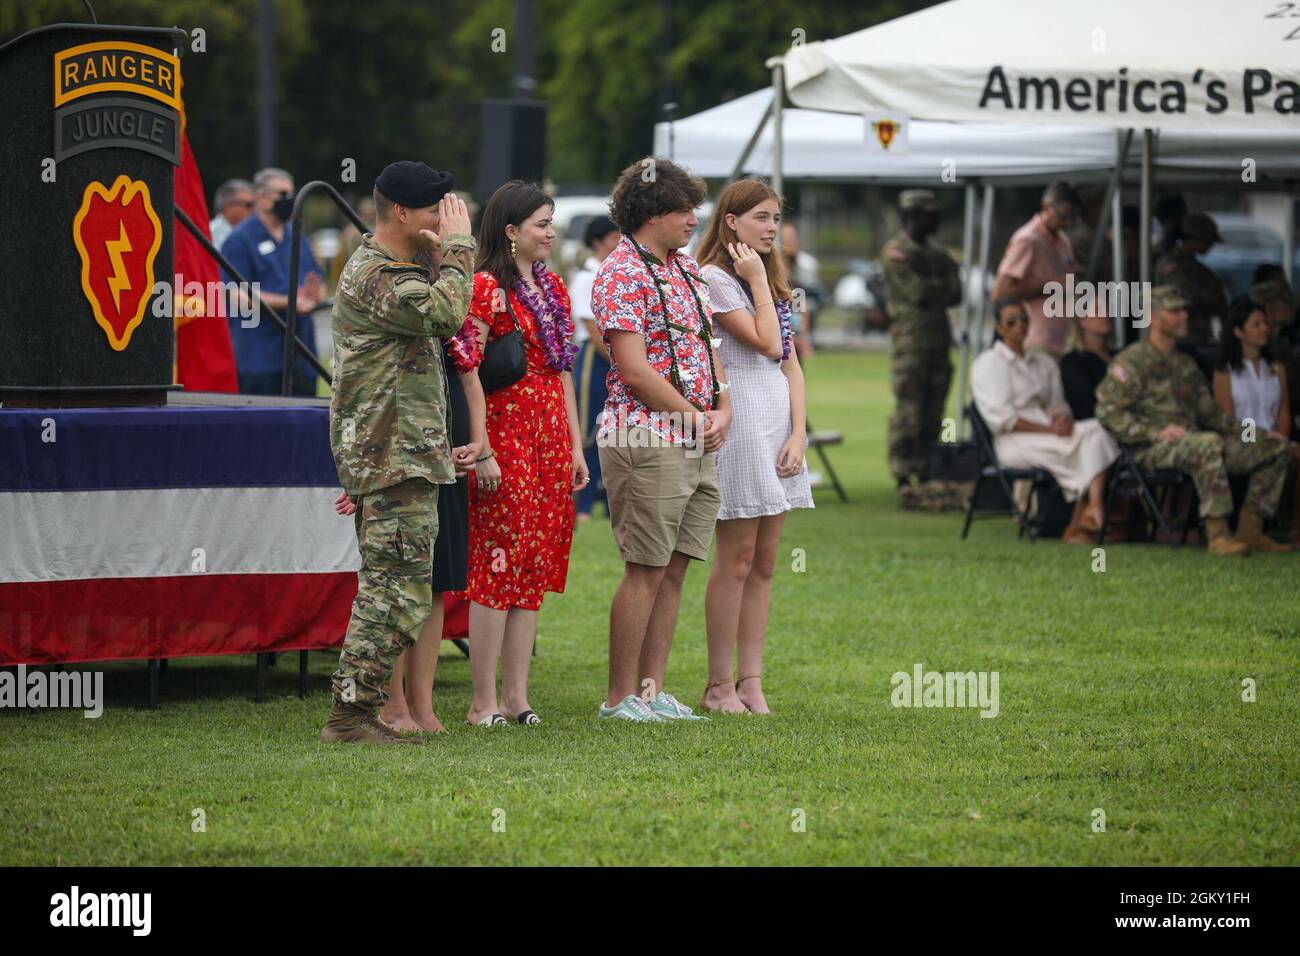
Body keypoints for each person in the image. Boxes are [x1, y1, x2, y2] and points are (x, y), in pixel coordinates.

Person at [319, 162, 477, 744]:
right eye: (437, 210)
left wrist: (445, 253)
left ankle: (357, 713)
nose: (446, 219)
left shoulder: (401, 267)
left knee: (401, 585)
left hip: (403, 453)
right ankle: (349, 717)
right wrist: (458, 249)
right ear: (403, 214)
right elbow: (443, 313)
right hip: (390, 455)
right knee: (393, 587)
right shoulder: (377, 273)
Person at [592, 156, 732, 722]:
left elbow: (709, 351)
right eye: (685, 209)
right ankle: (619, 698)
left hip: (696, 437)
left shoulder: (687, 271)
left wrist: (722, 406)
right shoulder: (620, 273)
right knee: (644, 568)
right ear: (652, 213)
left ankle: (651, 693)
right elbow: (633, 370)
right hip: (644, 436)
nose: (696, 219)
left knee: (675, 567)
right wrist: (695, 417)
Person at [462, 180, 587, 727]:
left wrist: (577, 446)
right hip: (506, 435)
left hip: (551, 439)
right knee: (497, 565)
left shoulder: (554, 288)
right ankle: (481, 701)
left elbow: (563, 373)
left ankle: (517, 697)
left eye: (552, 220)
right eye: (541, 222)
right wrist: (480, 446)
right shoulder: (486, 286)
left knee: (533, 565)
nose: (551, 231)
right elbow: (465, 365)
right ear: (511, 232)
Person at [696, 179, 813, 714]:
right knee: (736, 561)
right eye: (761, 218)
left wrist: (799, 432)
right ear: (732, 223)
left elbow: (790, 361)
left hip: (778, 427)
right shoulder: (718, 279)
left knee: (766, 562)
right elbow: (765, 342)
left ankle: (752, 680)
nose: (772, 228)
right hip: (741, 426)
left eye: (775, 218)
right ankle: (719, 684)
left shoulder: (768, 281)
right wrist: (758, 281)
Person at [1095, 285, 1292, 556]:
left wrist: (1257, 434)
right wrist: (1155, 432)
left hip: (1194, 442)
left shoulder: (1185, 364)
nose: (1184, 316)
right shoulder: (1131, 362)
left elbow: (1214, 416)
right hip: (1151, 449)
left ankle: (1251, 528)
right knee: (1207, 443)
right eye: (1174, 311)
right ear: (1152, 318)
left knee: (1276, 449)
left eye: (1184, 310)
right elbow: (1108, 412)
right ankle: (1218, 534)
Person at [972, 298, 1118, 542]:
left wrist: (1061, 420)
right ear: (999, 328)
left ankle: (1093, 506)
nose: (1020, 325)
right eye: (1012, 321)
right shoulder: (989, 363)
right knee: (1086, 446)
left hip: (1051, 432)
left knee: (1097, 430)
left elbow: (1058, 405)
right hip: (1014, 441)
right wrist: (1048, 429)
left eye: (1024, 319)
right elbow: (1002, 420)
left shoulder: (1043, 362)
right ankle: (1085, 517)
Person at [880, 189, 961, 503]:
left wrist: (936, 286)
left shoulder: (937, 254)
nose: (937, 220)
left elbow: (956, 292)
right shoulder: (896, 252)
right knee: (909, 409)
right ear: (914, 216)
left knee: (934, 409)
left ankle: (927, 468)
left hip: (938, 342)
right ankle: (903, 470)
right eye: (931, 214)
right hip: (911, 344)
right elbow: (919, 292)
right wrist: (938, 284)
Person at [221, 167, 326, 395]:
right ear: (262, 198)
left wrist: (314, 294)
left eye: (292, 193)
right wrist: (290, 302)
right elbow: (237, 295)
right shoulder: (239, 240)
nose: (290, 200)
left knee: (304, 424)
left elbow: (317, 280)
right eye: (283, 194)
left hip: (302, 354)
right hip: (261, 357)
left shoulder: (296, 235)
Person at [1213, 296, 1299, 547]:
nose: (1265, 329)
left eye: (1265, 324)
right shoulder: (1225, 371)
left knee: (1288, 451)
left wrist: (1281, 435)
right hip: (1240, 442)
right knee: (1281, 452)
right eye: (1256, 324)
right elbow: (1227, 419)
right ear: (1239, 331)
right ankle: (1256, 527)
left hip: (1275, 440)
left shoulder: (1275, 367)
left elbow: (1284, 411)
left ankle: (1279, 528)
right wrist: (1263, 438)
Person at [569, 215, 621, 520]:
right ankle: (584, 505)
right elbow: (591, 327)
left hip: (615, 356)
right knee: (590, 427)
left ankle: (605, 499)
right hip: (594, 357)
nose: (618, 243)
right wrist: (617, 361)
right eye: (612, 238)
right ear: (597, 242)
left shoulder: (614, 273)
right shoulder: (586, 277)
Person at [991, 181, 1080, 359]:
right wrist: (1049, 285)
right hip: (1036, 342)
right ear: (1046, 207)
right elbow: (1000, 292)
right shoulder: (1028, 239)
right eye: (1063, 216)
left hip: (1063, 341)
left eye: (1072, 217)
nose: (1068, 223)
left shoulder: (1063, 240)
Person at [1155, 212, 1228, 350]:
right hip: (1181, 338)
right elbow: (1181, 298)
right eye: (1208, 240)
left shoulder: (1196, 267)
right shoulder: (1173, 266)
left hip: (1197, 337)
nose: (1210, 245)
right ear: (1196, 239)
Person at [1060, 307, 1114, 421]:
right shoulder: (1072, 361)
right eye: (1097, 311)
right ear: (1081, 321)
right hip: (1097, 426)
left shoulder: (1120, 355)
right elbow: (1085, 407)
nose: (1106, 315)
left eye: (1107, 310)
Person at [779, 221, 817, 358]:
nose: (792, 242)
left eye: (794, 237)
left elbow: (800, 307)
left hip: (793, 338)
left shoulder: (797, 272)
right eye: (788, 238)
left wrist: (803, 337)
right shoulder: (770, 273)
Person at [209, 178, 253, 251]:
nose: (254, 210)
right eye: (249, 205)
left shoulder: (250, 230)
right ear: (228, 206)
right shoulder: (212, 233)